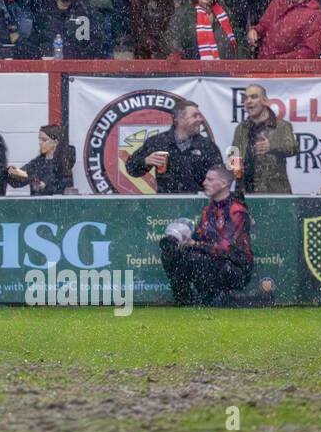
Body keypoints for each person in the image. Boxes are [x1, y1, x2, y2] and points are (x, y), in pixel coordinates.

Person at [160, 167, 253, 306]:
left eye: (210, 179)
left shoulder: (236, 210)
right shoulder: (208, 210)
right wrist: (181, 239)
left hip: (236, 268)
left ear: (224, 183)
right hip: (214, 261)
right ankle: (184, 300)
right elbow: (199, 238)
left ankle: (215, 299)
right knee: (172, 253)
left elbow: (226, 249)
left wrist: (195, 245)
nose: (204, 182)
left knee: (197, 258)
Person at [125, 100, 224, 195]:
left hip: (199, 206)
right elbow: (131, 168)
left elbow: (221, 179)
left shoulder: (207, 146)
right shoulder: (158, 142)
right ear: (179, 119)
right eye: (195, 116)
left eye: (200, 116)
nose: (201, 119)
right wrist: (145, 161)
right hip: (166, 206)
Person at [230, 84, 297, 195]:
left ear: (265, 101)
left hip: (274, 194)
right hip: (244, 194)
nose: (248, 101)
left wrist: (272, 146)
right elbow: (233, 155)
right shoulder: (241, 128)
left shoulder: (281, 126)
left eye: (254, 97)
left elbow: (293, 148)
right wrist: (236, 168)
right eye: (246, 98)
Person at [247, 0, 321, 60]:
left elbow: (310, 52)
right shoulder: (277, 3)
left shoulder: (314, 14)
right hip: (264, 64)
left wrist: (279, 60)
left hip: (291, 70)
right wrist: (254, 32)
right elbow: (263, 26)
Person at [165, 0, 239, 60]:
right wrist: (177, 53)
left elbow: (238, 35)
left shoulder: (223, 11)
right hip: (194, 68)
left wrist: (240, 60)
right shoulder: (185, 13)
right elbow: (172, 36)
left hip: (226, 67)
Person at [7, 125, 75, 196]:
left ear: (55, 142)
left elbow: (63, 184)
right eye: (39, 139)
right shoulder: (37, 163)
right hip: (37, 204)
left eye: (44, 140)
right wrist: (11, 173)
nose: (40, 142)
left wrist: (45, 184)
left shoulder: (63, 164)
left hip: (56, 205)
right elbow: (20, 179)